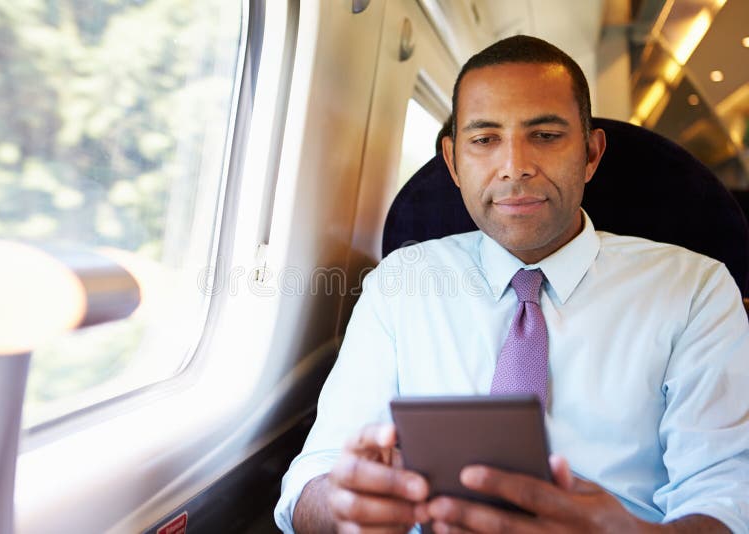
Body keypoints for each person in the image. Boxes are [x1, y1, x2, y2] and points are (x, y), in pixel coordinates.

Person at [274, 35, 749, 533]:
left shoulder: (696, 289)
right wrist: (346, 506)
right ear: (454, 163)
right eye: (484, 139)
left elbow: (726, 498)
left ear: (590, 154)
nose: (515, 166)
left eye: (544, 135)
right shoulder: (400, 283)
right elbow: (314, 478)